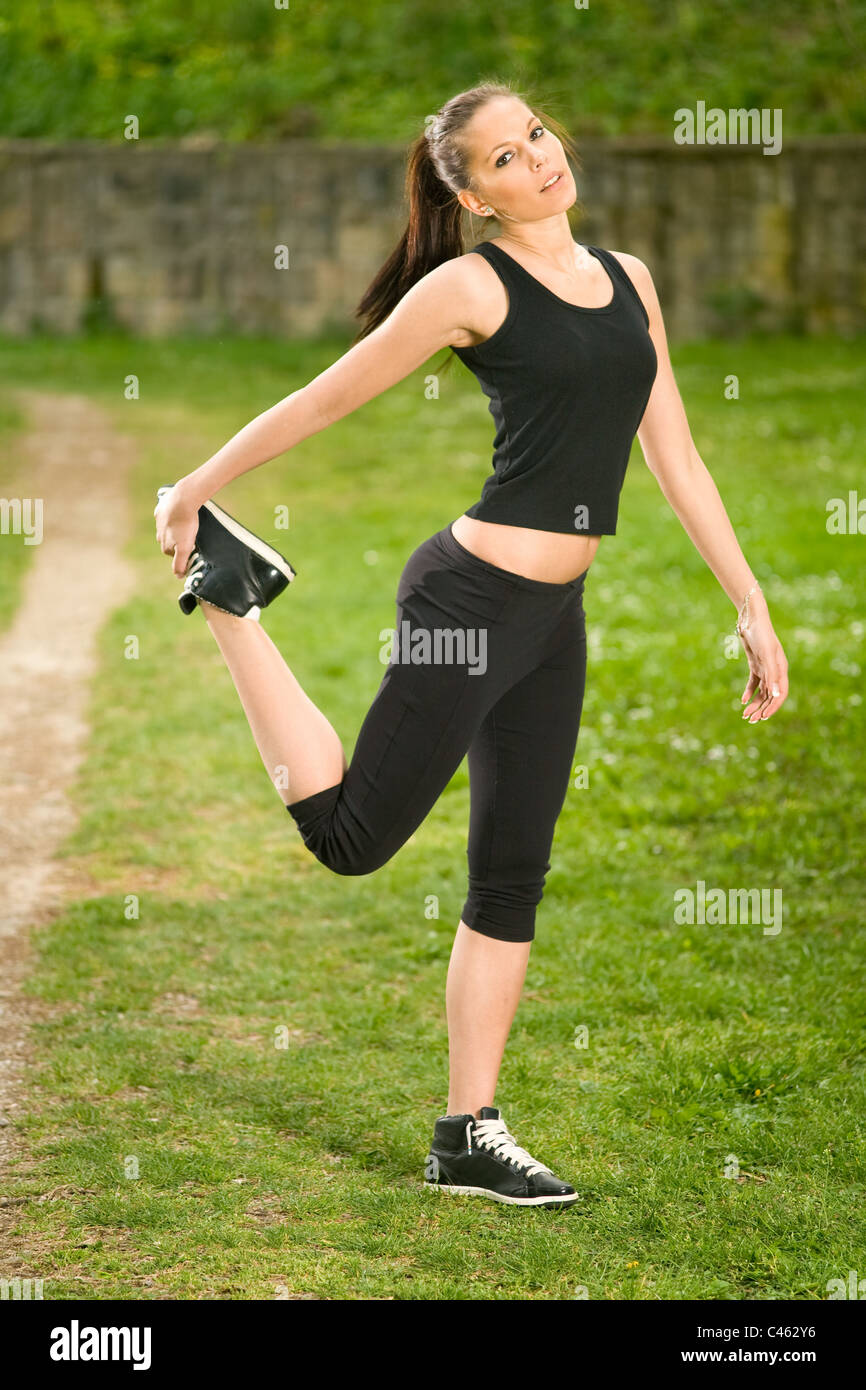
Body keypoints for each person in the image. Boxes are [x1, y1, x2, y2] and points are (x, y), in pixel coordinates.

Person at [154, 81, 789, 1209]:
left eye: (535, 134)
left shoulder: (627, 280)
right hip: (468, 602)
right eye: (502, 159)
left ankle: (467, 1133)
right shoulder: (467, 288)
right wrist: (200, 488)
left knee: (510, 876)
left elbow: (674, 458)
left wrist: (747, 600)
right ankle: (231, 597)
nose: (536, 160)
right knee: (351, 840)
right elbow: (324, 397)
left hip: (552, 620)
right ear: (472, 195)